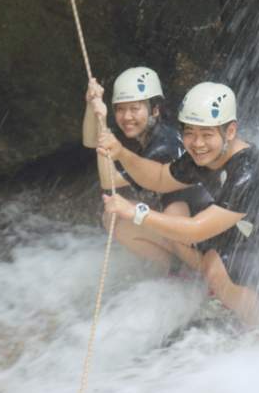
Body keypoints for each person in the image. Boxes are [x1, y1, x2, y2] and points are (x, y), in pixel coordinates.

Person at [100, 81, 259, 326]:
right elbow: (159, 178)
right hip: (248, 232)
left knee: (214, 266)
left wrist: (137, 212)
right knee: (177, 226)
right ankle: (211, 287)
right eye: (190, 133)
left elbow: (196, 230)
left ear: (230, 131)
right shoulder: (204, 157)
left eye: (207, 134)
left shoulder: (247, 174)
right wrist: (121, 153)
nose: (197, 143)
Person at [83, 67, 209, 273]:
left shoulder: (162, 148)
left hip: (199, 230)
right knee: (115, 216)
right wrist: (92, 106)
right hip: (192, 222)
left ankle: (192, 271)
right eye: (120, 109)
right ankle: (176, 269)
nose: (127, 116)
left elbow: (109, 181)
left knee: (120, 216)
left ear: (154, 110)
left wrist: (103, 122)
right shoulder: (160, 134)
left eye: (135, 108)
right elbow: (91, 142)